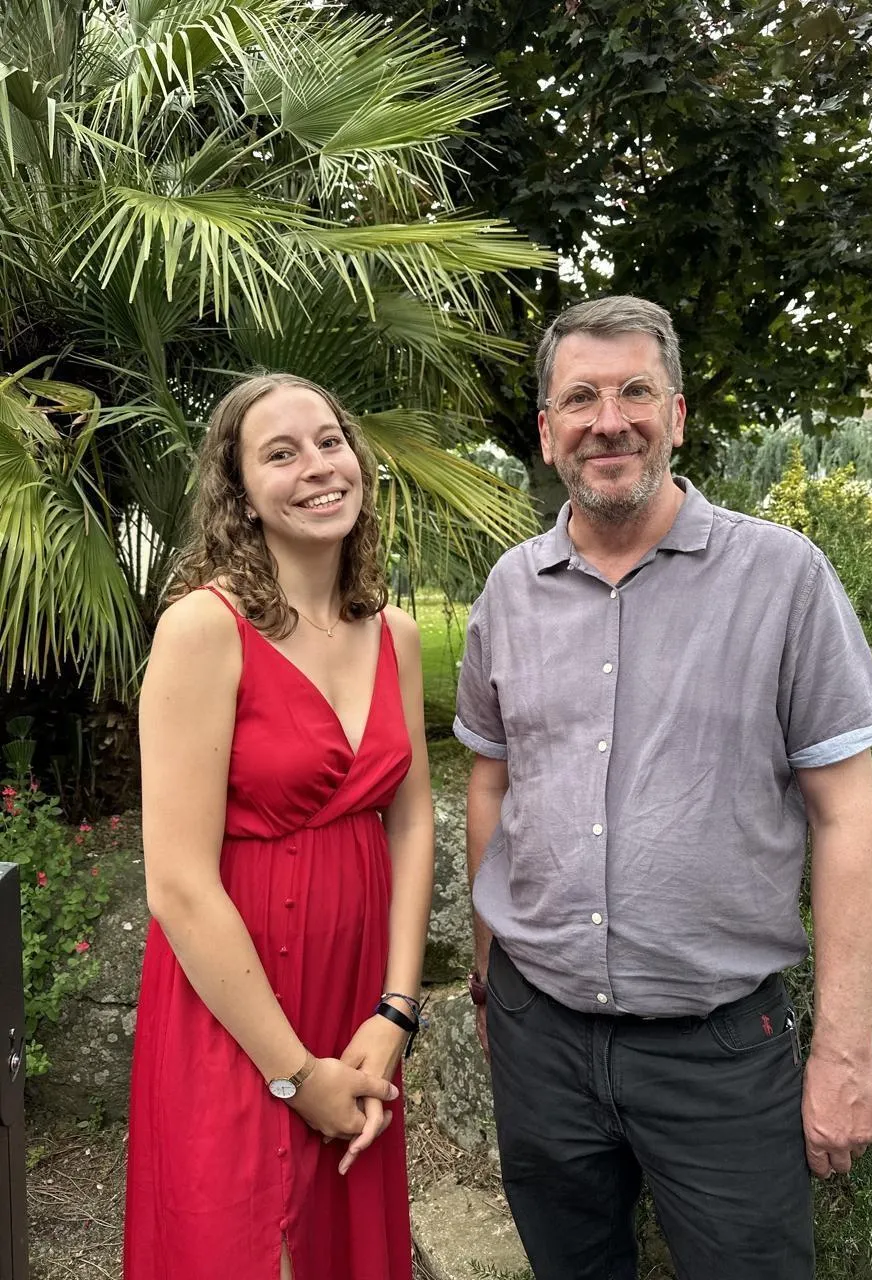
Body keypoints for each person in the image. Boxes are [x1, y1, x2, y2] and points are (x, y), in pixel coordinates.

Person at [455, 297, 872, 1280]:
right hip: (543, 1039)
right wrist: (489, 979)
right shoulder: (509, 592)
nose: (609, 419)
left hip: (720, 1056)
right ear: (547, 431)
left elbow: (846, 814)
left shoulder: (783, 579)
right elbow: (492, 782)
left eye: (634, 390)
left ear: (678, 413)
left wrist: (844, 1051)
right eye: (580, 397)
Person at [124, 373, 434, 1280]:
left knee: (344, 1241)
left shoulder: (397, 636)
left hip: (358, 1001)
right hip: (232, 1003)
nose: (316, 467)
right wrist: (296, 1072)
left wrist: (396, 1011)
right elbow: (176, 882)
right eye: (281, 452)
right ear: (242, 492)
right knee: (232, 1238)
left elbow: (412, 822)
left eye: (329, 441)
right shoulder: (201, 631)